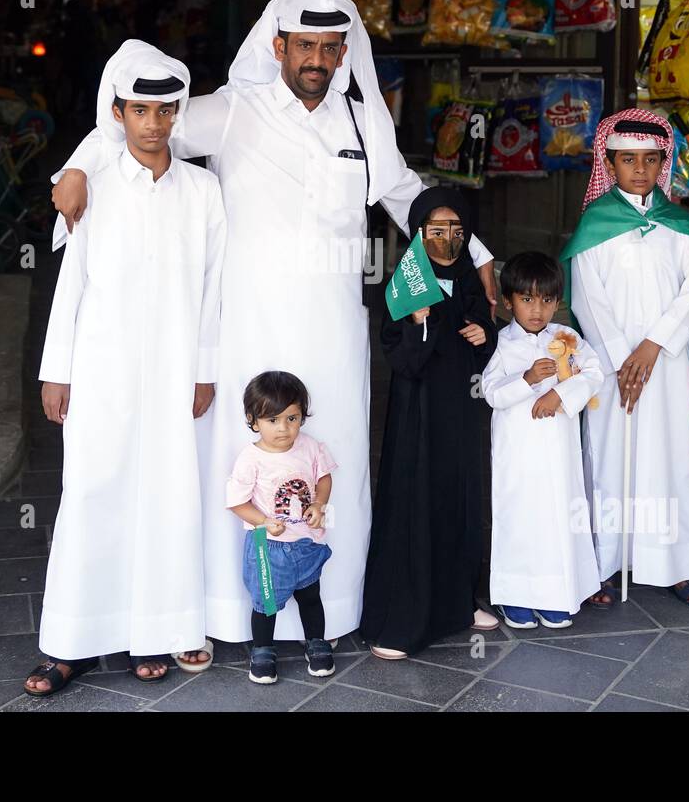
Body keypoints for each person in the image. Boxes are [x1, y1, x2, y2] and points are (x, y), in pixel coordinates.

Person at [48, 0, 498, 645]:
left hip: (334, 334)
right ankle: (234, 616)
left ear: (344, 51)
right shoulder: (234, 111)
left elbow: (405, 195)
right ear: (278, 45)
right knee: (243, 467)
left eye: (329, 47)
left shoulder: (359, 121)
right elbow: (140, 125)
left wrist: (477, 254)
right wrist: (78, 169)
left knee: (330, 462)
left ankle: (333, 611)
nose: (316, 58)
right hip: (247, 332)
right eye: (304, 45)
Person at [24, 41, 224, 696]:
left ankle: (155, 634)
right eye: (141, 111)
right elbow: (70, 284)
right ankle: (69, 645)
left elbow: (213, 287)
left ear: (177, 114)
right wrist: (58, 372)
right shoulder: (95, 190)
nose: (154, 124)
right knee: (90, 495)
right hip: (101, 370)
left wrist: (203, 369)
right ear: (119, 113)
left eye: (166, 111)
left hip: (173, 375)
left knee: (166, 500)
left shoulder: (202, 191)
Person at [559, 109, 689, 608]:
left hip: (666, 366)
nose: (641, 170)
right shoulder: (596, 223)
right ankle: (605, 566)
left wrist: (653, 346)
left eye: (651, 160)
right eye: (628, 160)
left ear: (662, 164)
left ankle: (674, 566)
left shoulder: (681, 226)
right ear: (610, 162)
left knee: (670, 457)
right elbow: (588, 298)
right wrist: (620, 357)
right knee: (610, 457)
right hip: (613, 368)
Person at [359, 187, 499, 658]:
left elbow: (482, 328)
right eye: (436, 231)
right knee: (417, 501)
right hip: (419, 411)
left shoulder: (468, 277)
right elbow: (400, 355)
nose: (447, 240)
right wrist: (420, 323)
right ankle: (405, 617)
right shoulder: (406, 280)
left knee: (457, 499)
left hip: (459, 409)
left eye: (457, 231)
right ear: (419, 233)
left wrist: (484, 333)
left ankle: (459, 602)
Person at [481, 252, 603, 629]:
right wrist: (528, 381)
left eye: (547, 300)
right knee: (518, 518)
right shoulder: (500, 344)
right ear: (508, 301)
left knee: (557, 518)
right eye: (527, 299)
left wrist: (559, 396)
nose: (537, 310)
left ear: (557, 303)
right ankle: (516, 597)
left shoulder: (568, 339)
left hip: (558, 453)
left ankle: (556, 596)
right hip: (517, 452)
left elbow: (595, 373)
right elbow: (490, 392)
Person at [226, 371, 335, 684]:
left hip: (306, 542)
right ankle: (262, 650)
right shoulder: (251, 458)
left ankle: (316, 642)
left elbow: (324, 478)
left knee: (310, 595)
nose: (284, 429)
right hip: (268, 546)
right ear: (253, 420)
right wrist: (263, 521)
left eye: (292, 418)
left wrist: (319, 505)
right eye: (273, 420)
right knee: (266, 603)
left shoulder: (310, 447)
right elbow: (236, 502)